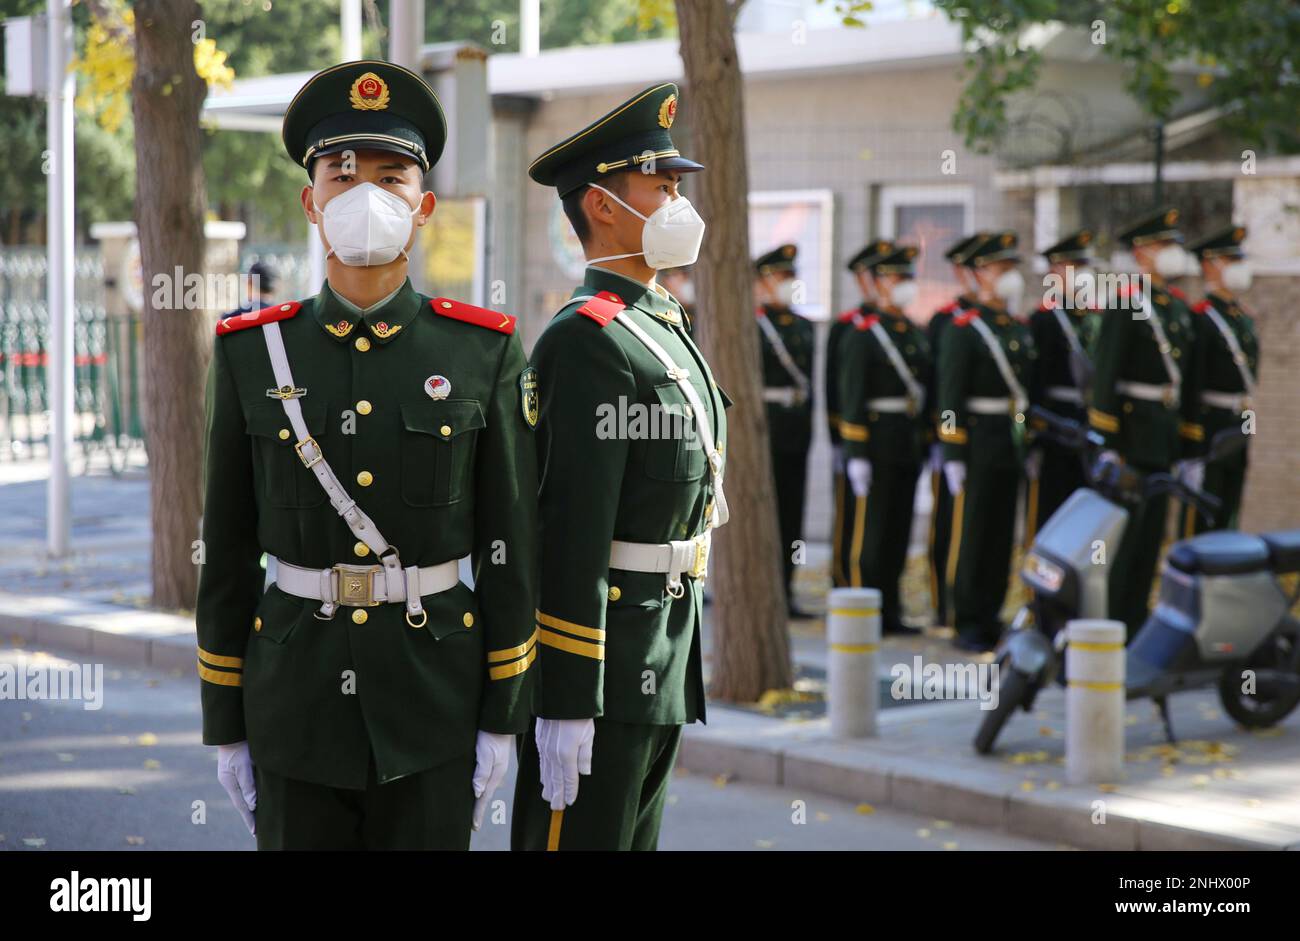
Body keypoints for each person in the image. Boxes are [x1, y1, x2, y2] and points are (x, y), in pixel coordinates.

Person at [195, 61, 538, 850]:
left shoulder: (483, 351)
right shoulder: (253, 351)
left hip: (433, 702)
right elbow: (229, 551)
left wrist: (502, 713)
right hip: (293, 702)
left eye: (391, 177)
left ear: (423, 206)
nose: (366, 196)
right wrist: (226, 719)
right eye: (342, 176)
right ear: (311, 201)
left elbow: (511, 548)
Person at [513, 82, 728, 851]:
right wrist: (568, 696)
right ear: (603, 205)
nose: (679, 204)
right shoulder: (587, 340)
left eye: (678, 187)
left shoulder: (658, 324)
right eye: (663, 187)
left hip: (662, 657)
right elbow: (570, 530)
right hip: (604, 674)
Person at [1089, 206, 1204, 639]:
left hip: (1163, 438)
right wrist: (1107, 441)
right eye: (1162, 245)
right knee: (1125, 538)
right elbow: (1107, 376)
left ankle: (1135, 617)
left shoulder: (1175, 308)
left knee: (1152, 535)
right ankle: (1110, 621)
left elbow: (1187, 383)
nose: (1171, 253)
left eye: (1173, 245)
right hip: (1132, 437)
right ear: (1140, 254)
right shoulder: (1125, 303)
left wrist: (1190, 446)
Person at [937, 231, 1038, 652]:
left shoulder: (1015, 327)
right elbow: (949, 396)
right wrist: (953, 451)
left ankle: (992, 612)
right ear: (979, 274)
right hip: (977, 441)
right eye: (1000, 268)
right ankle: (965, 617)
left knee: (1001, 535)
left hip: (1008, 442)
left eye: (1011, 267)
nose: (1008, 275)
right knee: (972, 533)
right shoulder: (964, 329)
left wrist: (1029, 442)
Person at [837, 244, 931, 635]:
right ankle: (862, 608)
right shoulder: (862, 333)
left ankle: (890, 610)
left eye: (908, 277)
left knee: (897, 532)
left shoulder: (912, 330)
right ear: (877, 283)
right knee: (870, 535)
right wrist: (855, 451)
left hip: (905, 443)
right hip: (874, 444)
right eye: (896, 278)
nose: (904, 285)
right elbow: (852, 396)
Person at [1025, 229, 1101, 537]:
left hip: (1088, 424)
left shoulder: (1094, 318)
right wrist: (1035, 434)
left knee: (1086, 514)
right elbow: (1034, 381)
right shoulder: (1044, 320)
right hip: (1055, 428)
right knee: (1051, 511)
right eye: (1073, 267)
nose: (1082, 274)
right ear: (1055, 273)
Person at [753, 244, 815, 615]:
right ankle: (761, 592)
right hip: (765, 430)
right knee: (763, 515)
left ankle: (787, 590)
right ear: (762, 282)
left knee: (793, 515)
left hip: (796, 432)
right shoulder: (751, 326)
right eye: (781, 276)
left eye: (792, 276)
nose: (789, 283)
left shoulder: (804, 328)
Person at [1184, 225, 1257, 534]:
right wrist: (1191, 448)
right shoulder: (1202, 318)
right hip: (1210, 427)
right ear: (1208, 265)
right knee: (1203, 516)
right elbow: (1191, 382)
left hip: (1240, 423)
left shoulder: (1242, 318)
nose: (1238, 267)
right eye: (1230, 260)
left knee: (1229, 511)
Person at [926, 233, 984, 627]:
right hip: (951, 441)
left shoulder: (997, 322)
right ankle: (948, 606)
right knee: (951, 525)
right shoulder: (948, 322)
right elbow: (940, 385)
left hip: (985, 439)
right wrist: (942, 442)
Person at [828, 239, 891, 588]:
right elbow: (838, 389)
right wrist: (840, 439)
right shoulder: (850, 327)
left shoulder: (894, 325)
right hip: (856, 436)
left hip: (887, 438)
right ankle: (848, 584)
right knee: (854, 518)